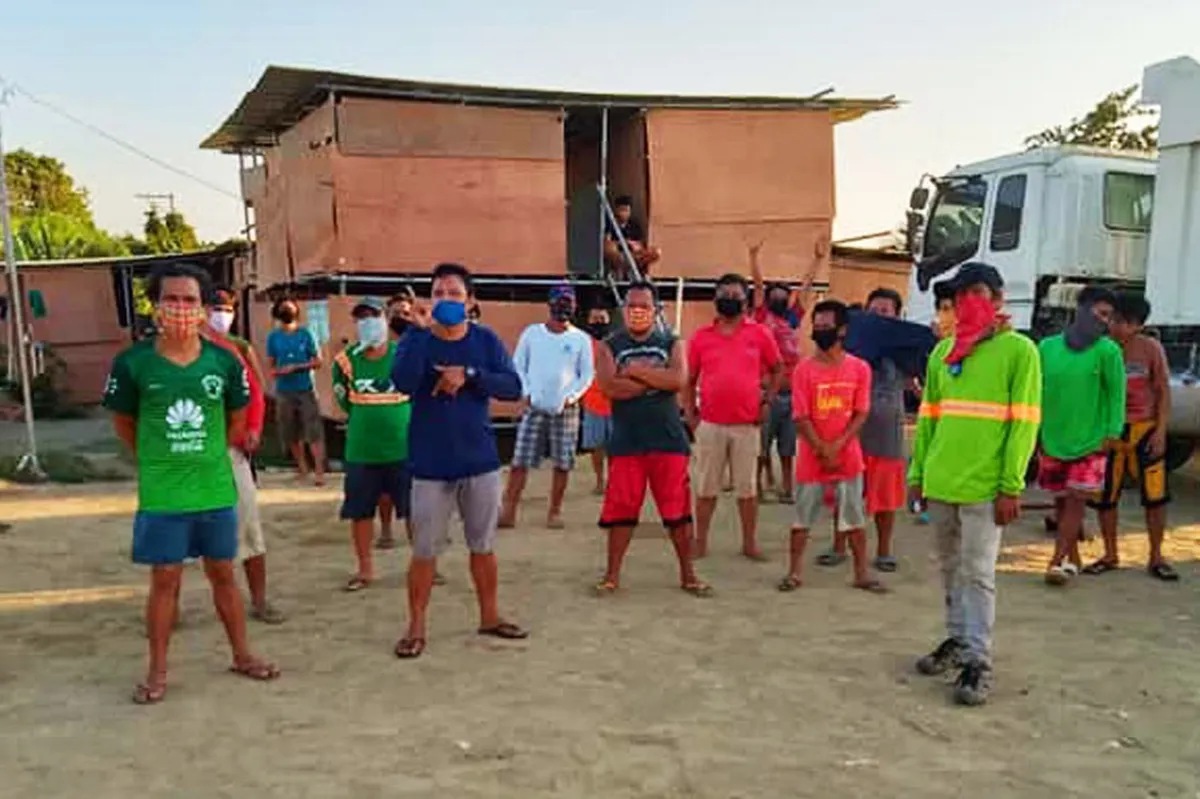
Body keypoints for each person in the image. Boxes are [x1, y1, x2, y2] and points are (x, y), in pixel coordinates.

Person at [103, 262, 279, 705]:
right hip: (164, 495)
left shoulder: (223, 361)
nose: (180, 308)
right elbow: (123, 421)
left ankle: (242, 654)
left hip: (216, 490)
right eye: (172, 299)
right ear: (156, 305)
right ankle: (157, 671)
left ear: (202, 307)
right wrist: (155, 457)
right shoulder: (133, 363)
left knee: (224, 574)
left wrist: (208, 453)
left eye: (189, 300)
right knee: (165, 581)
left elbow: (238, 415)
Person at [908, 263, 1041, 706]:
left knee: (979, 574)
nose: (967, 302)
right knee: (950, 568)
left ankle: (978, 662)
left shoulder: (1020, 352)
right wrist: (918, 474)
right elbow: (928, 418)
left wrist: (1011, 486)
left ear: (1000, 299)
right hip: (942, 481)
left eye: (977, 292)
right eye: (960, 295)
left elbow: (1023, 425)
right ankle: (958, 641)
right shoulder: (944, 352)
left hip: (986, 489)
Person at [390, 262, 528, 659]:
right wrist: (416, 331)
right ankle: (415, 627)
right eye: (437, 294)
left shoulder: (484, 341)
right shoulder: (417, 340)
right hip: (429, 464)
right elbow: (402, 382)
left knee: (482, 545)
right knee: (424, 551)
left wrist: (467, 374)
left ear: (470, 302)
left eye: (454, 294)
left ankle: (490, 615)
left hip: (479, 461)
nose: (445, 300)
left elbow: (512, 387)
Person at [595, 282, 711, 596]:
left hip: (669, 440)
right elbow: (609, 387)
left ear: (655, 309)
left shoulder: (672, 342)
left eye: (644, 306)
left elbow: (678, 379)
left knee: (677, 512)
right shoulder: (608, 345)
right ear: (623, 309)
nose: (637, 311)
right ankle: (612, 575)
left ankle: (688, 574)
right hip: (626, 441)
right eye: (631, 305)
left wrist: (633, 372)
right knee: (621, 511)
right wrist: (656, 380)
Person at [779, 299, 884, 593]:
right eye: (818, 325)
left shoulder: (860, 368)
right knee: (802, 517)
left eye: (827, 326)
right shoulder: (803, 370)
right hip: (811, 458)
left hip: (848, 456)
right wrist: (822, 448)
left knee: (854, 517)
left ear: (842, 330)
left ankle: (861, 573)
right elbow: (801, 416)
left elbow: (861, 412)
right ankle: (794, 572)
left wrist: (837, 446)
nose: (821, 331)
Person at [685, 273, 783, 559]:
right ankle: (700, 542)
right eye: (724, 296)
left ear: (745, 300)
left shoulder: (760, 334)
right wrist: (691, 415)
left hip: (747, 424)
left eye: (735, 296)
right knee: (706, 488)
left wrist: (767, 402)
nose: (729, 301)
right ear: (715, 300)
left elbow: (778, 369)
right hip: (710, 424)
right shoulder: (701, 338)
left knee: (747, 489)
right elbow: (689, 379)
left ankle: (749, 544)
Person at [204, 287, 284, 624]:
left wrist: (252, 429)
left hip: (230, 450)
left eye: (226, 308)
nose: (220, 314)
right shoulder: (167, 352)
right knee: (174, 539)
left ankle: (260, 600)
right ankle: (169, 609)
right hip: (186, 455)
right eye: (215, 307)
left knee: (249, 528)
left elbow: (255, 392)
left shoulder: (234, 349)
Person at [1086, 292, 1178, 581]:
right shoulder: (1100, 348)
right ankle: (1110, 554)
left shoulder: (1151, 349)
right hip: (1110, 431)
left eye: (1126, 322)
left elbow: (1163, 391)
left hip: (1144, 429)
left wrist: (1161, 431)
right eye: (1114, 320)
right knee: (1105, 498)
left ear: (1138, 325)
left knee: (1155, 497)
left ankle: (1156, 556)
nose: (1118, 327)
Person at [1037, 286, 1125, 586]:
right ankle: (1072, 555)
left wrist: (1113, 431)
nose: (1104, 321)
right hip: (1053, 436)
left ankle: (1056, 560)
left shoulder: (1108, 351)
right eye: (1100, 313)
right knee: (1061, 501)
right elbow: (1036, 391)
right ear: (1082, 310)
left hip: (1092, 439)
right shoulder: (1047, 348)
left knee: (1076, 500)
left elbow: (1116, 395)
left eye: (1109, 316)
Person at [332, 297, 414, 592]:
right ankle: (365, 569)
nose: (367, 322)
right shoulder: (344, 361)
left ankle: (423, 564)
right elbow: (344, 400)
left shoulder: (403, 354)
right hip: (362, 450)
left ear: (385, 319)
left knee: (414, 510)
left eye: (373, 316)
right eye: (361, 318)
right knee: (360, 511)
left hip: (403, 447)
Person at [500, 284, 594, 530]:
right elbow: (518, 365)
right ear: (550, 304)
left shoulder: (581, 339)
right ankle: (508, 510)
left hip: (567, 410)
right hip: (534, 406)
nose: (564, 306)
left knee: (562, 463)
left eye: (569, 302)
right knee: (520, 460)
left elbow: (586, 375)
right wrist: (527, 393)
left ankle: (554, 512)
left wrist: (571, 398)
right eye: (560, 301)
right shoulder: (532, 333)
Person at [748, 239, 820, 503]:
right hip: (766, 392)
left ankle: (787, 487)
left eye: (783, 292)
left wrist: (817, 259)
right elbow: (756, 285)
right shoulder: (761, 316)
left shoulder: (792, 317)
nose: (779, 296)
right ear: (768, 298)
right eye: (774, 292)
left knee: (788, 448)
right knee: (762, 446)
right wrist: (753, 257)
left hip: (791, 394)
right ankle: (758, 487)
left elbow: (806, 287)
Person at [266, 297, 326, 486]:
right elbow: (271, 367)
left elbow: (318, 361)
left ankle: (319, 471)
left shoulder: (306, 334)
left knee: (313, 431)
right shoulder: (273, 337)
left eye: (290, 308)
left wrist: (298, 367)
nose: (287, 311)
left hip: (305, 388)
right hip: (284, 391)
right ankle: (302, 468)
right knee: (289, 431)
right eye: (284, 308)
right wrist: (280, 371)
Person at [580, 304, 615, 495]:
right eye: (595, 319)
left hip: (615, 403)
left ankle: (613, 480)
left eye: (602, 319)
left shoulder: (617, 343)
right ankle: (599, 480)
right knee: (596, 446)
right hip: (592, 402)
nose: (598, 323)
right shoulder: (583, 344)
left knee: (614, 447)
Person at [604, 195, 662, 279]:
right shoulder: (609, 224)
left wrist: (632, 244)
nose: (624, 213)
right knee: (611, 249)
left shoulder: (634, 225)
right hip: (617, 255)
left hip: (633, 255)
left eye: (627, 210)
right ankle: (622, 271)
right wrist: (622, 243)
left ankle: (633, 271)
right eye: (622, 210)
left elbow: (640, 243)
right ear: (616, 210)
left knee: (656, 252)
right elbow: (607, 243)